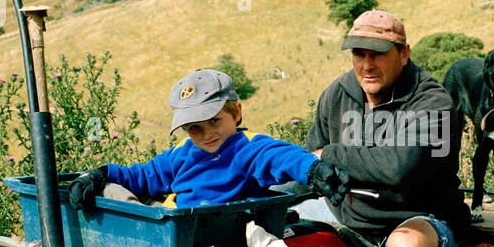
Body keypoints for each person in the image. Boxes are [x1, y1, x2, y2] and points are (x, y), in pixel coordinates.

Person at [306, 10, 469, 247]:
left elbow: (399, 169)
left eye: (378, 54)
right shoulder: (337, 94)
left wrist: (332, 154)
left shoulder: (432, 102)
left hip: (419, 215)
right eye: (358, 54)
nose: (366, 65)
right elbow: (309, 161)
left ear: (404, 53)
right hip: (349, 213)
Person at [68, 68, 349, 210]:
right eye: (194, 128)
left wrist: (311, 169)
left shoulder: (247, 148)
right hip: (173, 228)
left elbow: (281, 156)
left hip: (216, 235)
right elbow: (146, 176)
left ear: (236, 113)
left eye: (214, 120)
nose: (206, 134)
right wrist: (103, 173)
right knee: (110, 191)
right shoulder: (183, 152)